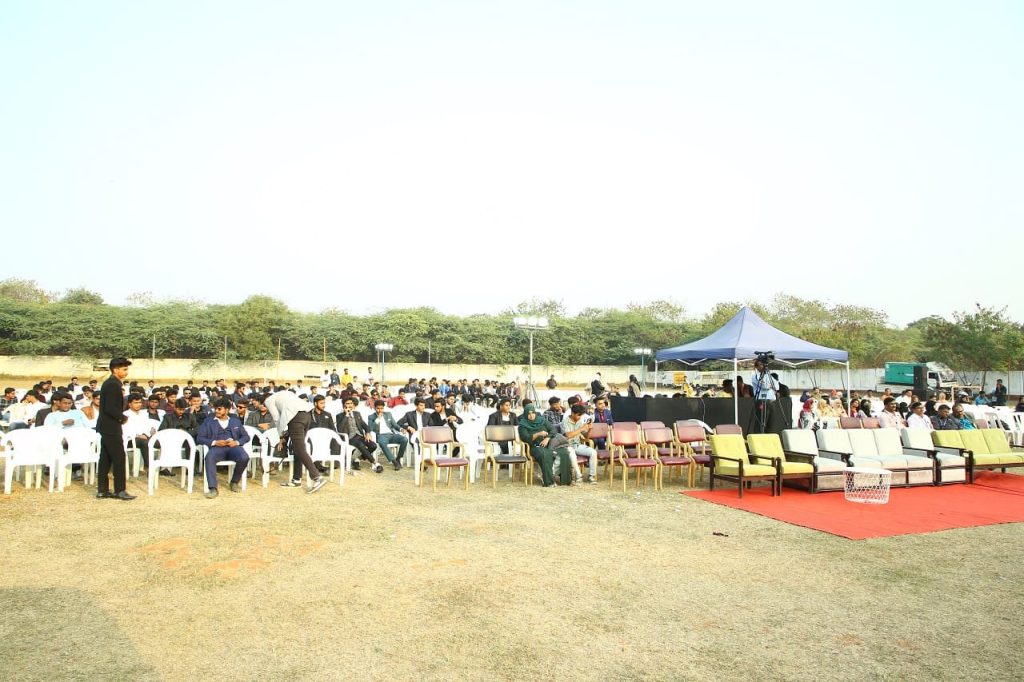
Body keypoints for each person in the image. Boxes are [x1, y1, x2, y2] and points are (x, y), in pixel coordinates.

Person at [263, 389, 328, 492]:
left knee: (299, 449)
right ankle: (296, 479)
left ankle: (317, 477)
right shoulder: (285, 393)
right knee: (298, 449)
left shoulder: (269, 400)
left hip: (295, 418)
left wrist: (281, 436)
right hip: (307, 415)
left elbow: (276, 418)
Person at [96, 358, 136, 501]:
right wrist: (122, 418)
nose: (126, 372)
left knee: (105, 458)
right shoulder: (113, 384)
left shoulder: (110, 383)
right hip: (111, 426)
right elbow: (111, 408)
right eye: (124, 369)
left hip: (106, 426)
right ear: (115, 369)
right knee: (119, 458)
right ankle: (120, 490)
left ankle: (102, 490)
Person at [196, 398, 250, 498]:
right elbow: (199, 438)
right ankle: (213, 488)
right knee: (209, 458)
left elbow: (246, 437)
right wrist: (214, 442)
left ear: (227, 410)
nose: (216, 411)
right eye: (215, 409)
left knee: (244, 457)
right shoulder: (208, 421)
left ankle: (234, 482)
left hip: (233, 448)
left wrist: (236, 442)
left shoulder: (235, 421)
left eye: (219, 409)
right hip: (217, 448)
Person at [518, 404, 567, 487]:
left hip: (548, 445)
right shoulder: (523, 425)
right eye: (529, 414)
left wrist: (547, 438)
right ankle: (549, 482)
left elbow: (553, 430)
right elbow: (526, 438)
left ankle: (564, 479)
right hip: (533, 447)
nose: (531, 415)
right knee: (545, 454)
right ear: (525, 414)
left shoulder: (542, 420)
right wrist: (538, 434)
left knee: (563, 453)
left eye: (533, 413)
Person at [336, 396, 383, 472]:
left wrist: (367, 432)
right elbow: (340, 429)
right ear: (343, 405)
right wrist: (346, 415)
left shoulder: (357, 414)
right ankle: (376, 463)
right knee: (360, 444)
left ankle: (357, 459)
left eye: (351, 403)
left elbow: (364, 425)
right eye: (347, 403)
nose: (350, 405)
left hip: (359, 435)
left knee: (373, 445)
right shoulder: (339, 416)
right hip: (349, 438)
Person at [368, 400, 409, 470]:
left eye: (381, 408)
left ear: (383, 408)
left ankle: (398, 458)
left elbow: (395, 425)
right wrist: (377, 419)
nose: (380, 410)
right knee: (382, 443)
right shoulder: (371, 417)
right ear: (375, 408)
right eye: (378, 408)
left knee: (404, 439)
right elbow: (370, 428)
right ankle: (394, 462)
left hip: (391, 434)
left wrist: (401, 429)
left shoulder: (388, 414)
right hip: (381, 435)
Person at [563, 404, 596, 483]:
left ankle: (591, 476)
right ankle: (579, 476)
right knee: (572, 455)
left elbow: (586, 437)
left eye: (581, 415)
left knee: (593, 452)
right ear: (572, 413)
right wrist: (581, 429)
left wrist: (590, 429)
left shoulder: (580, 420)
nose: (580, 417)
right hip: (567, 445)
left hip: (577, 445)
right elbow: (568, 435)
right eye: (578, 415)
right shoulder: (565, 421)